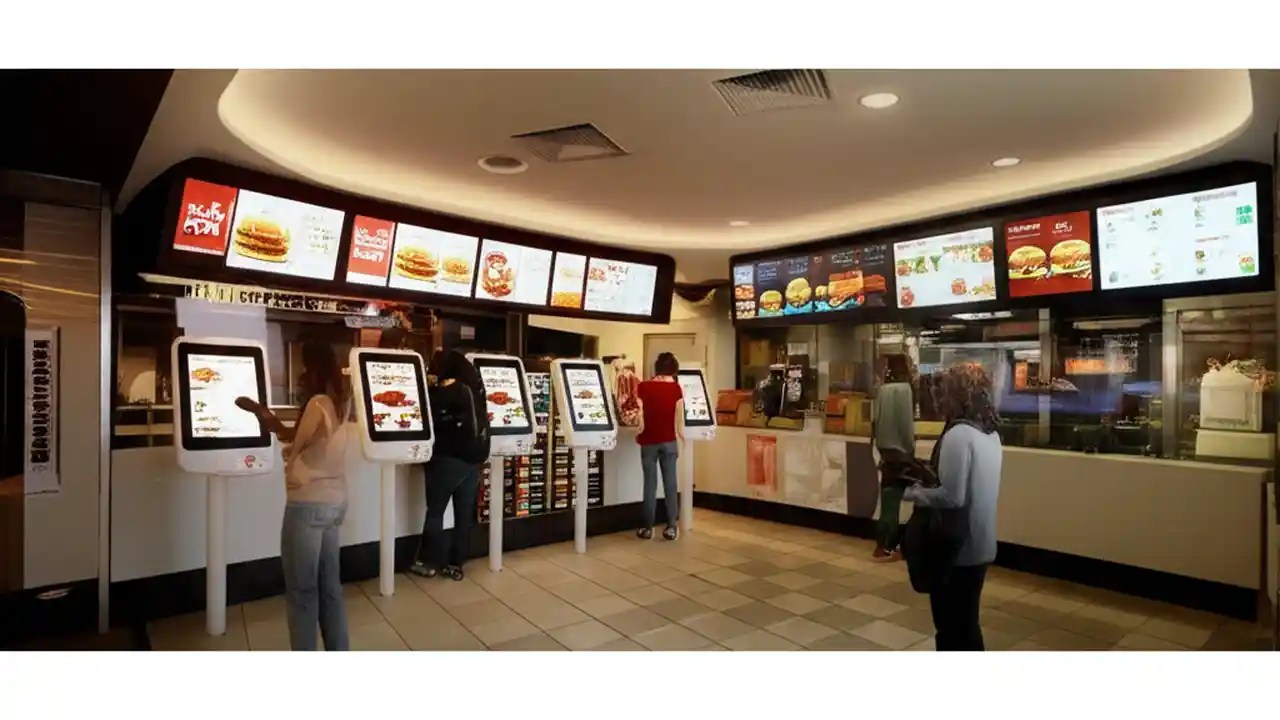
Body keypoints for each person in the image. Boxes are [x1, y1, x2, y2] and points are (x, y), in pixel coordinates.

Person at [237, 338, 351, 651]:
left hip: (308, 505)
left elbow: (293, 439)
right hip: (335, 502)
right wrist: (270, 420)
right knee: (330, 588)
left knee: (302, 592)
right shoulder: (340, 400)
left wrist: (266, 417)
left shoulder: (317, 403)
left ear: (310, 366)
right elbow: (307, 440)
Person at [905, 363, 1003, 651]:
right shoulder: (990, 434)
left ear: (956, 394)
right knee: (967, 624)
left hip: (957, 550)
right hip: (982, 543)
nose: (937, 396)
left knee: (950, 628)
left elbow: (952, 497)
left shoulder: (958, 436)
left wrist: (914, 493)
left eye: (943, 390)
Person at [410, 350, 490, 581]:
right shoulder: (474, 390)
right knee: (463, 515)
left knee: (435, 512)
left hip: (447, 460)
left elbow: (424, 416)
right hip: (473, 461)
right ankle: (456, 563)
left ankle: (428, 561)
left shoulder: (441, 393)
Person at [871, 353, 916, 562]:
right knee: (906, 501)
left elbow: (875, 419)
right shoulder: (905, 390)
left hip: (884, 450)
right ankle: (895, 544)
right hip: (901, 452)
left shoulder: (883, 389)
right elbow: (907, 426)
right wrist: (910, 448)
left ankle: (882, 545)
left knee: (888, 499)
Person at [635, 352, 685, 540]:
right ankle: (671, 527)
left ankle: (647, 528)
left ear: (656, 369)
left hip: (648, 441)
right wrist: (679, 439)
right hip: (669, 441)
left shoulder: (643, 387)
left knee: (650, 484)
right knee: (671, 484)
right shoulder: (676, 389)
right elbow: (679, 420)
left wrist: (639, 430)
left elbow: (639, 416)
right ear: (674, 370)